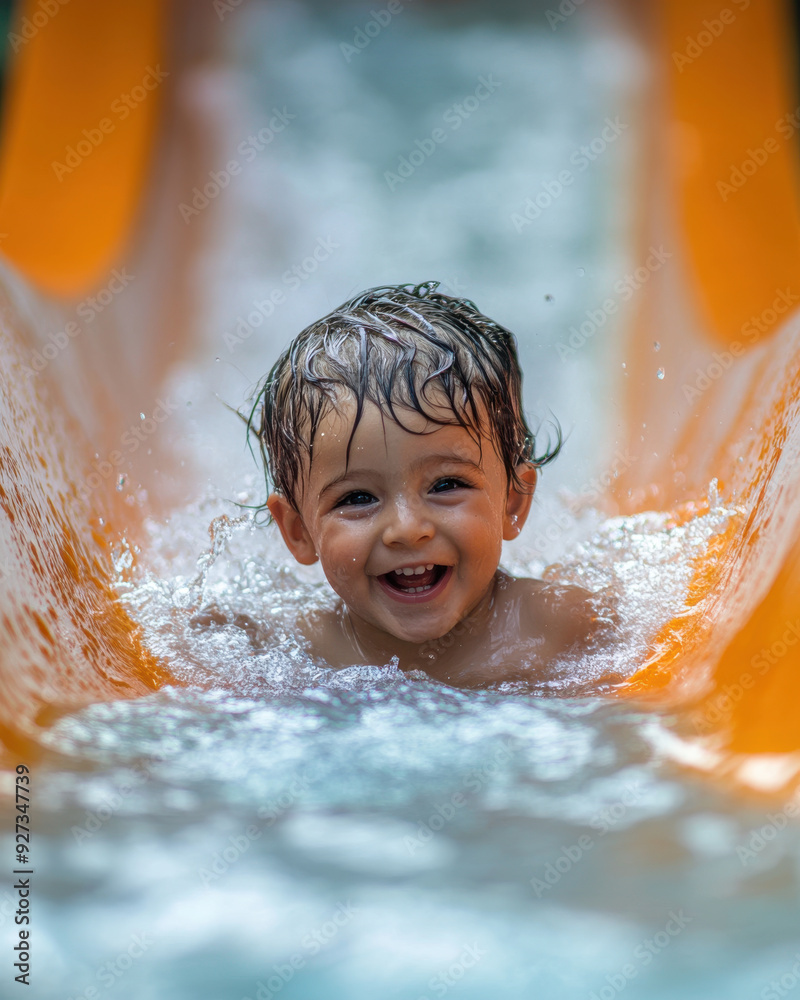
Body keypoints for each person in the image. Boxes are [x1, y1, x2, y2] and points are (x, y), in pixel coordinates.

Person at [247, 281, 614, 689]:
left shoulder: (559, 627)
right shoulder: (289, 649)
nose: (407, 528)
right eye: (358, 498)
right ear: (298, 532)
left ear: (513, 500)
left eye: (446, 485)